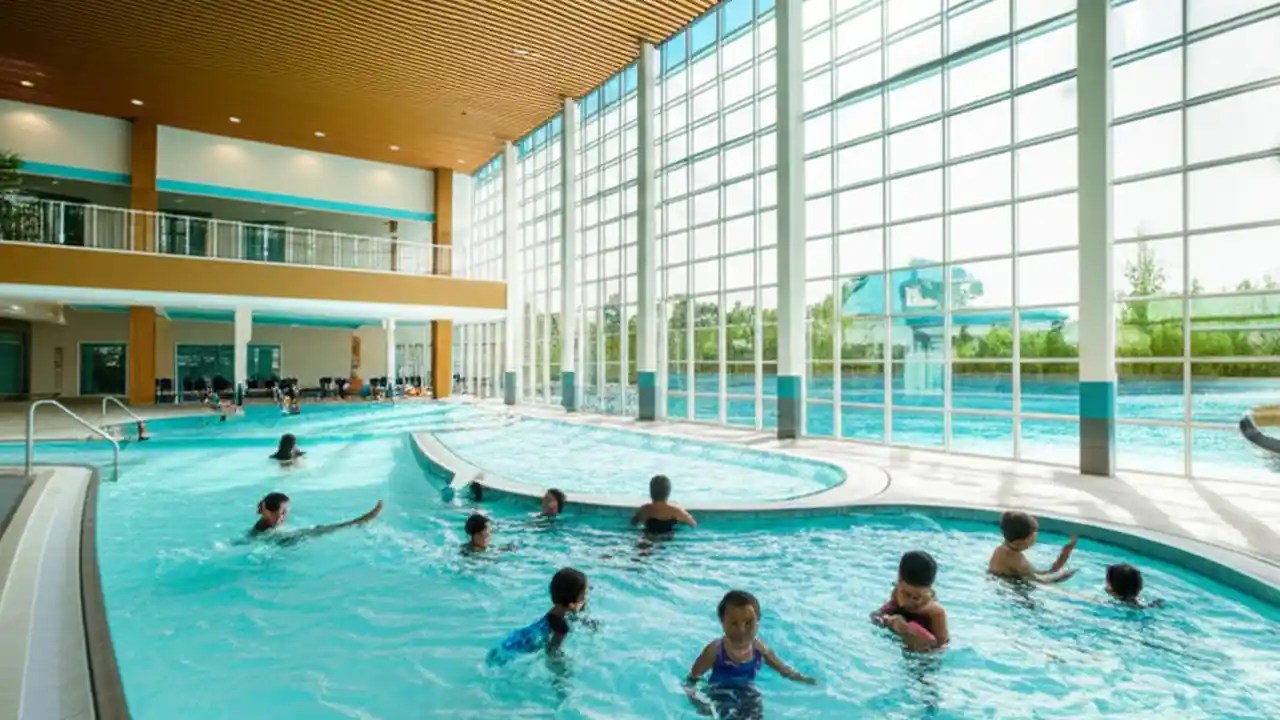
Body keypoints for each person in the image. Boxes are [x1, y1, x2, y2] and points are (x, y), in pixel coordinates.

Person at [685, 590, 815, 718]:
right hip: (719, 693)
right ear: (722, 623)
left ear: (758, 622)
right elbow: (691, 679)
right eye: (734, 623)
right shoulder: (715, 650)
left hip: (748, 693)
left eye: (748, 623)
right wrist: (697, 702)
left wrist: (802, 679)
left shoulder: (759, 648)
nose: (741, 630)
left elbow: (782, 669)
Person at [486, 568, 589, 666]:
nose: (585, 600)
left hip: (507, 645)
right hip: (510, 656)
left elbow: (573, 616)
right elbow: (552, 653)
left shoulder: (556, 612)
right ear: (572, 604)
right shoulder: (561, 627)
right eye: (583, 597)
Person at [870, 551, 949, 651]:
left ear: (930, 591)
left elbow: (941, 647)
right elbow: (878, 615)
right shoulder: (897, 593)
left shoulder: (936, 612)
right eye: (906, 594)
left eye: (918, 597)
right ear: (899, 580)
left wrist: (906, 628)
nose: (911, 601)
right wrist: (884, 620)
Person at [248, 491, 383, 545]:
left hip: (277, 542)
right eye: (282, 513)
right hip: (274, 542)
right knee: (317, 531)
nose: (284, 517)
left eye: (286, 513)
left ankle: (356, 522)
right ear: (267, 512)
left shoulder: (267, 525)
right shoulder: (263, 531)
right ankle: (357, 522)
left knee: (317, 530)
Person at [988, 511, 1077, 583]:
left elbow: (1047, 572)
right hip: (1015, 590)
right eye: (1033, 536)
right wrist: (1061, 578)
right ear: (1020, 542)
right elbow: (1041, 581)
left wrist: (1065, 553)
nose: (1036, 538)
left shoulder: (1001, 550)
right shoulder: (1017, 560)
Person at [630, 475, 696, 533]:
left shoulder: (644, 509)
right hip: (667, 538)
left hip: (648, 535)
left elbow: (633, 523)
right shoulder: (675, 510)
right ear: (668, 492)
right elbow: (693, 524)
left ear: (651, 491)